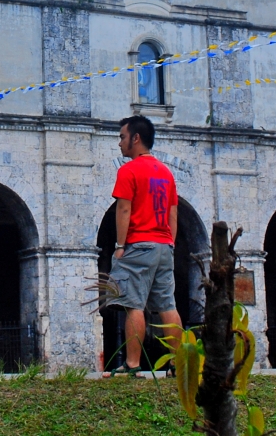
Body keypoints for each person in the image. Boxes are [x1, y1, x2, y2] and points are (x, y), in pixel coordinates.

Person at [106, 115, 181, 375]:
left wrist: (120, 244)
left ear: (135, 138)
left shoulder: (128, 170)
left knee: (134, 305)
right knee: (166, 306)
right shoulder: (166, 172)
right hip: (164, 245)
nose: (120, 143)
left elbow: (124, 209)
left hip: (139, 245)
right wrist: (170, 242)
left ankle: (132, 364)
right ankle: (179, 363)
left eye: (122, 137)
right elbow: (173, 214)